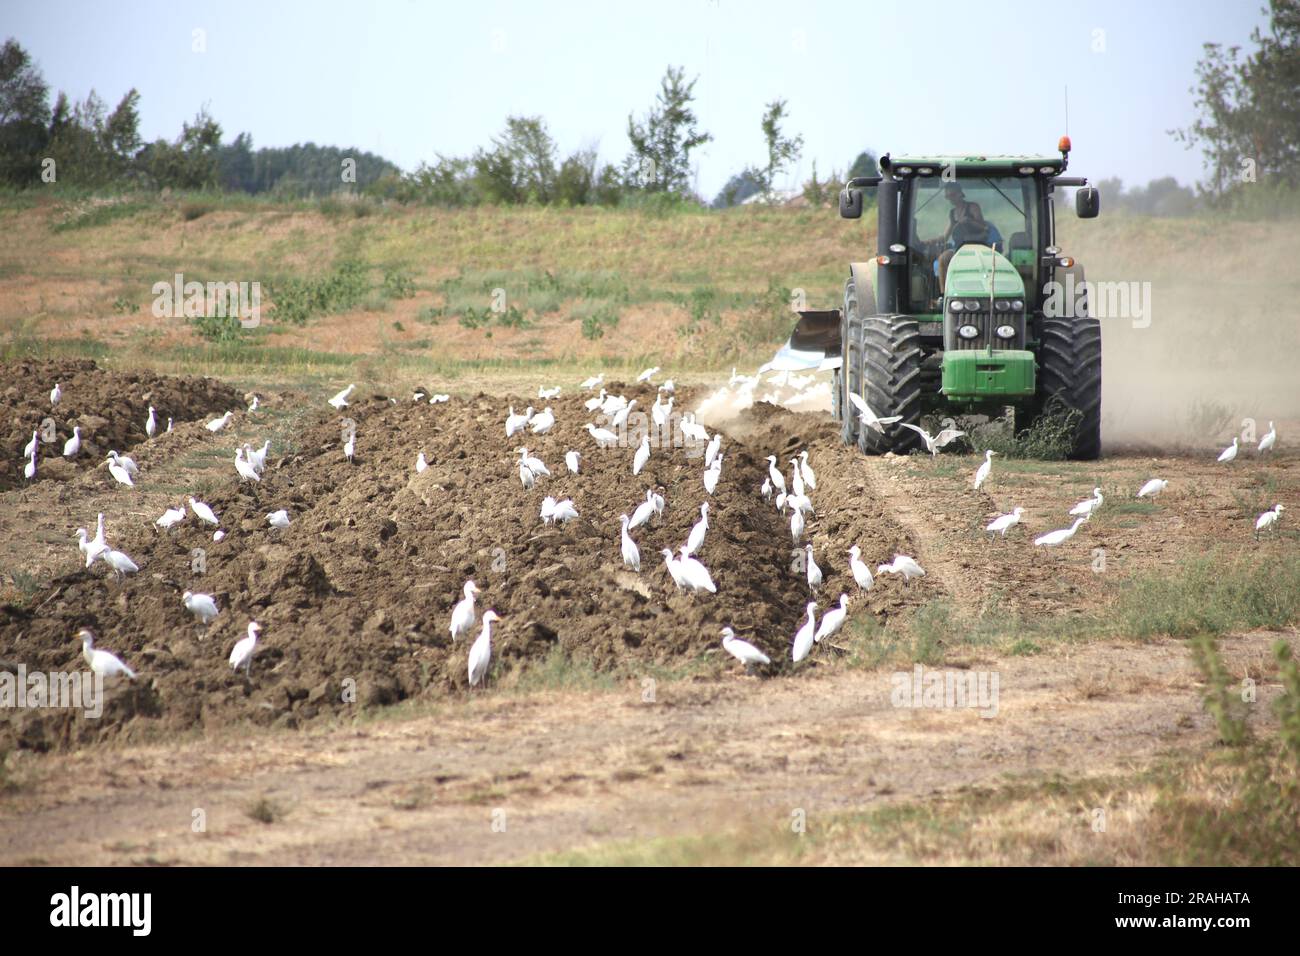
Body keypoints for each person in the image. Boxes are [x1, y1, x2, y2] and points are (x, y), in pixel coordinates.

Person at [937, 184, 987, 292]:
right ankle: (943, 293)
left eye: (952, 195)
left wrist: (970, 221)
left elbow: (984, 227)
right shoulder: (952, 213)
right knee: (942, 259)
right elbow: (946, 235)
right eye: (948, 196)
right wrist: (930, 241)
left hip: (977, 246)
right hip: (959, 248)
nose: (951, 199)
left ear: (960, 194)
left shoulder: (972, 207)